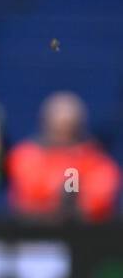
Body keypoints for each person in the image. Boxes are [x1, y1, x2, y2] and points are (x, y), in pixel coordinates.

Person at [7, 91, 119, 223]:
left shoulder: (98, 162)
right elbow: (26, 198)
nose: (63, 137)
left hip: (86, 236)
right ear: (45, 125)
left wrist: (75, 201)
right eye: (58, 130)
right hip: (32, 235)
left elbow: (100, 200)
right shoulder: (25, 156)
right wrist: (57, 195)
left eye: (69, 130)